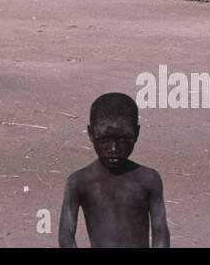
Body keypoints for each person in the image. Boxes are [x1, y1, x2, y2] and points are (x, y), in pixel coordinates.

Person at [59, 92, 169, 247]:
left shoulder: (149, 180)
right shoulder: (79, 182)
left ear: (136, 133)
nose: (113, 148)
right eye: (104, 139)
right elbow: (66, 237)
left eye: (122, 139)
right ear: (91, 134)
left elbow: (160, 232)